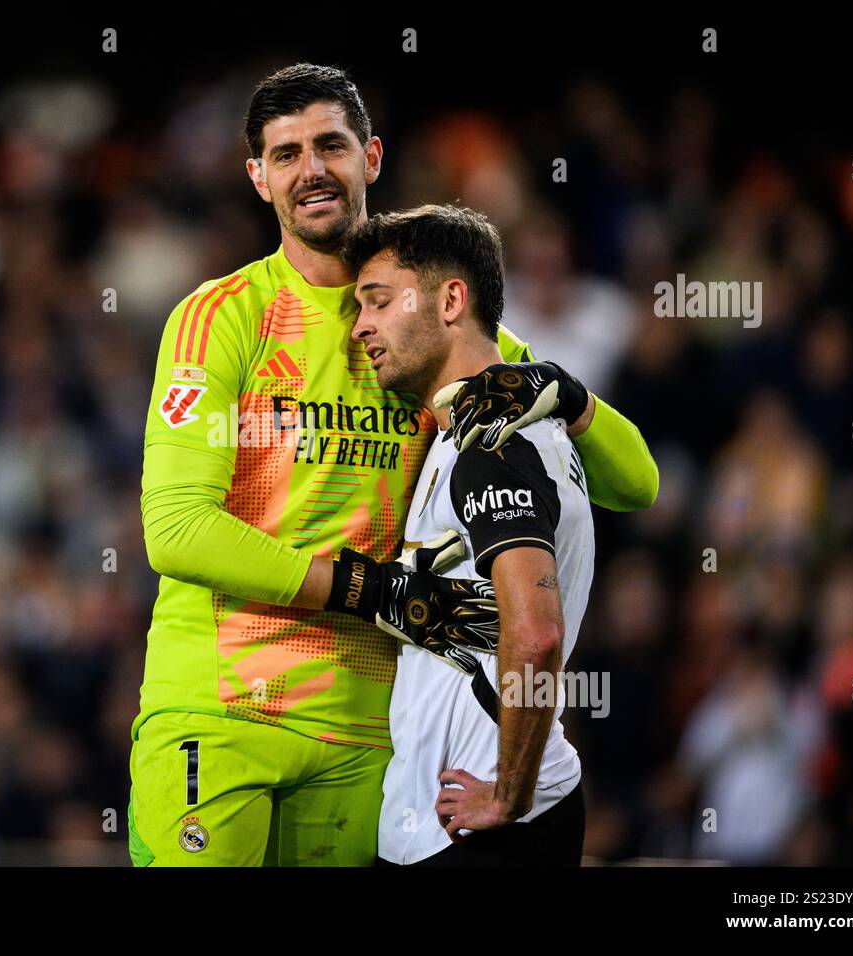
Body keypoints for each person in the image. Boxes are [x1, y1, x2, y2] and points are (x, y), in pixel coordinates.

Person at [130, 63, 656, 866]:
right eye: (286, 154)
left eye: (331, 145)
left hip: (366, 729)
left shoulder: (420, 324)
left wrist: (564, 390)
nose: (312, 170)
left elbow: (637, 482)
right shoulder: (221, 318)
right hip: (221, 707)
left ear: (371, 157)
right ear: (257, 178)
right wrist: (370, 588)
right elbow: (175, 531)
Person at [343, 204, 596, 865]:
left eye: (377, 302)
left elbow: (537, 632)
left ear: (452, 299)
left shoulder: (491, 439)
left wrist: (507, 795)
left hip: (480, 826)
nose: (361, 327)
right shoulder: (485, 426)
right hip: (464, 816)